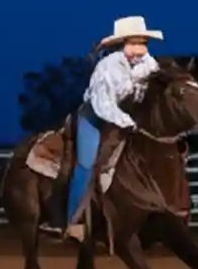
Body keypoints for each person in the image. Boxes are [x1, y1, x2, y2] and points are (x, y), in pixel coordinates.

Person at [51, 16, 164, 241]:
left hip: (128, 118)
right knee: (86, 163)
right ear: (122, 45)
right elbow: (103, 105)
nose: (139, 50)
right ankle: (73, 221)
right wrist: (128, 122)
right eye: (133, 44)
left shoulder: (150, 64)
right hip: (94, 118)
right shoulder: (107, 67)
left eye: (143, 44)